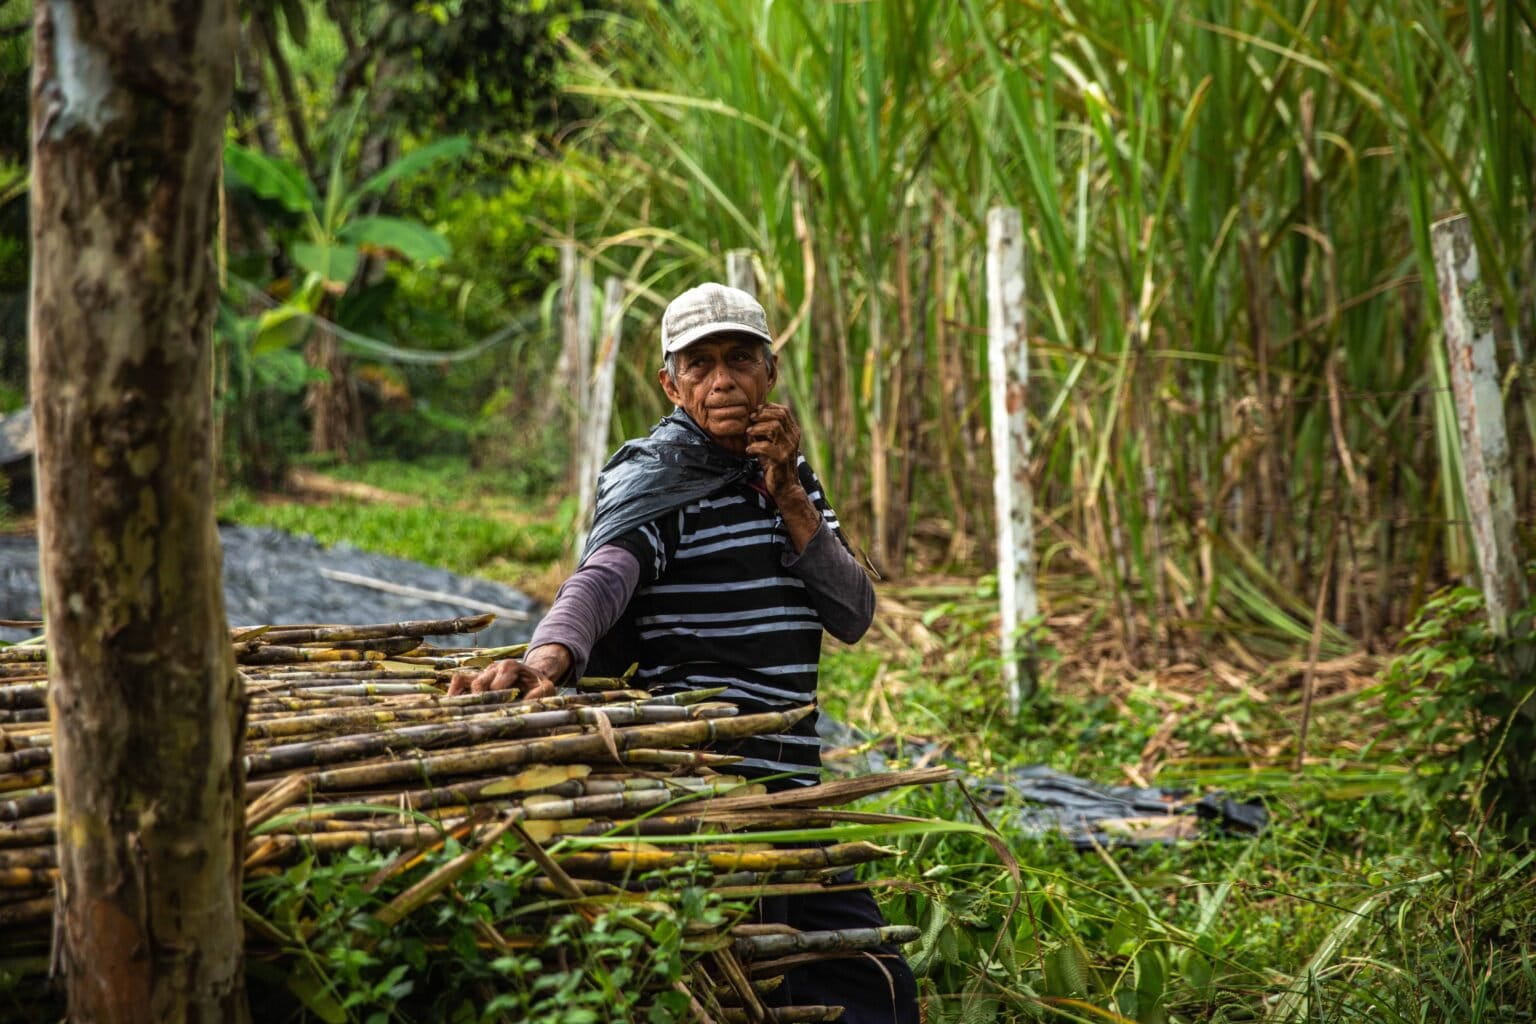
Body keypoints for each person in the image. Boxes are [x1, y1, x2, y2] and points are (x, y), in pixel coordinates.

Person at [451, 282, 919, 1023]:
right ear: (669, 384)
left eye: (739, 359)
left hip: (794, 787)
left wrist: (791, 497)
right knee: (739, 985)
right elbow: (603, 578)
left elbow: (854, 614)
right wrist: (545, 659)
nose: (722, 380)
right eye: (699, 365)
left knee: (876, 989)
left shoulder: (789, 479)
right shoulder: (657, 480)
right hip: (707, 788)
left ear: (771, 372)